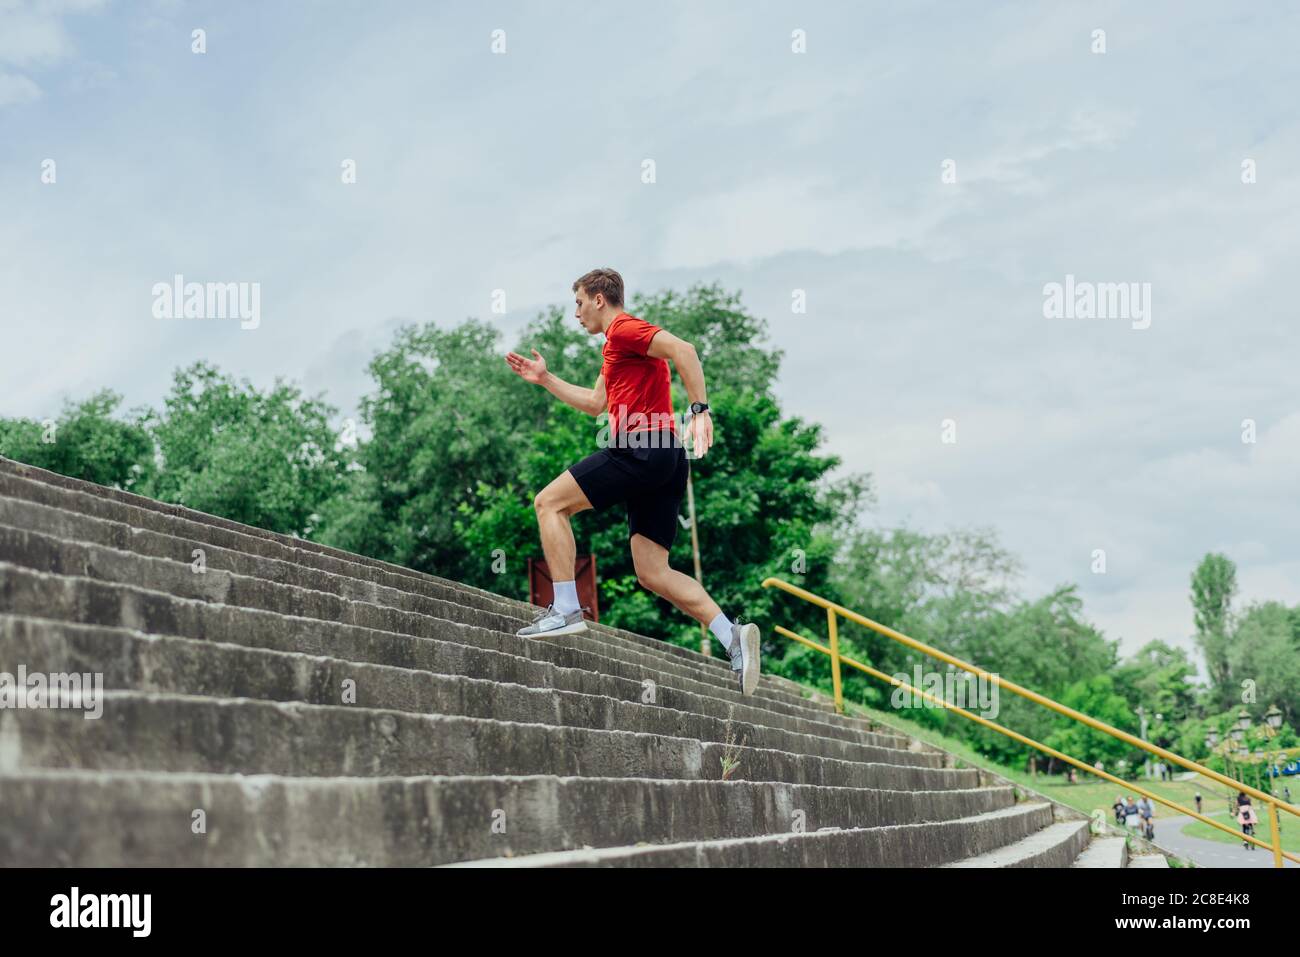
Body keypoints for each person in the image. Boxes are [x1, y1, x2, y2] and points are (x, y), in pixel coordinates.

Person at [506, 268, 761, 695]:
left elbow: (685, 349)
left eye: (579, 303)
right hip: (666, 458)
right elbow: (594, 404)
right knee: (652, 570)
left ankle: (567, 608)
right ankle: (731, 636)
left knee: (549, 503)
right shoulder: (616, 348)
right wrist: (545, 378)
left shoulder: (624, 328)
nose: (576, 313)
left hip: (641, 447)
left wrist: (700, 409)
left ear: (599, 299)